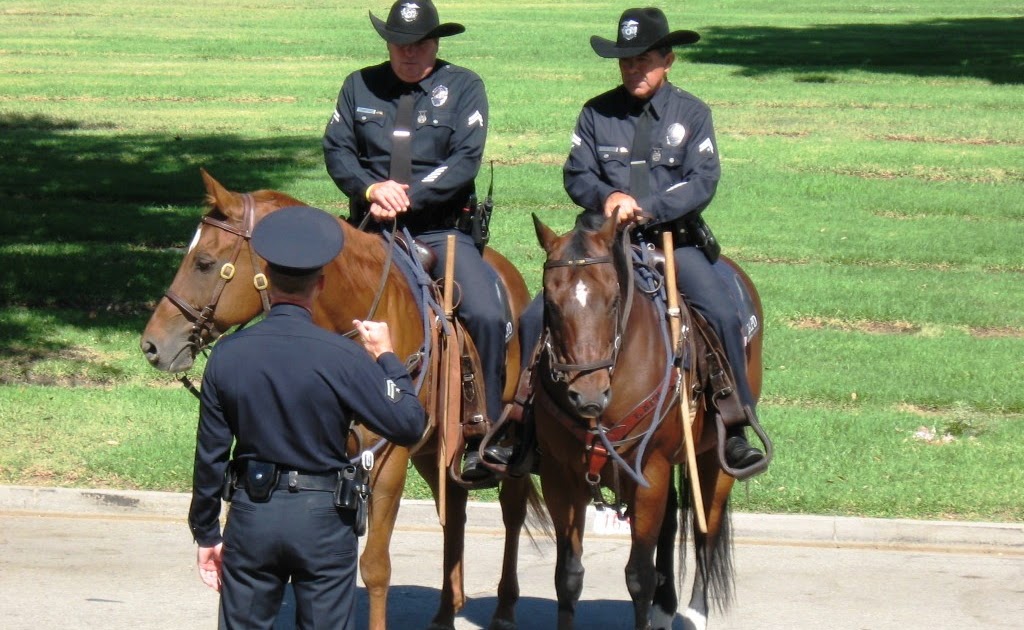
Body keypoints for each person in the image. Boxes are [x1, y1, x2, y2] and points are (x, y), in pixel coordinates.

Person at [188, 205, 426, 629]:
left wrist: (206, 532)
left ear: (265, 277)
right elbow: (408, 423)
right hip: (324, 518)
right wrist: (388, 359)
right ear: (320, 285)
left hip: (252, 515)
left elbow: (210, 454)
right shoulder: (346, 358)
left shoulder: (227, 354)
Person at [562, 7, 767, 475]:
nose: (634, 70)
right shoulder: (596, 113)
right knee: (542, 314)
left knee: (720, 310)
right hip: (604, 246)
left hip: (673, 242)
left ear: (668, 60)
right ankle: (525, 422)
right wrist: (608, 196)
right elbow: (576, 173)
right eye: (626, 62)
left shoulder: (692, 113)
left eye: (644, 60)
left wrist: (646, 207)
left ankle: (734, 424)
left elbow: (701, 181)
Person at [323, 0, 510, 480]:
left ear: (436, 42)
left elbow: (464, 161)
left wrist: (408, 195)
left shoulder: (464, 87)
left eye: (420, 43)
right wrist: (370, 188)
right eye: (400, 43)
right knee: (311, 299)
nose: (409, 52)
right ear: (387, 42)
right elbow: (338, 149)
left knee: (488, 313)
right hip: (370, 227)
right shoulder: (357, 86)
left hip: (440, 229)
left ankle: (482, 430)